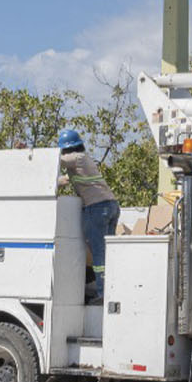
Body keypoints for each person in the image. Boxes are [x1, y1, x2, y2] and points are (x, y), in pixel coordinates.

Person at [56, 128, 118, 304]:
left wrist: (29, 153)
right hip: (111, 206)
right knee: (108, 253)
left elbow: (55, 160)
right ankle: (110, 289)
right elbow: (65, 180)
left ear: (66, 149)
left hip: (97, 208)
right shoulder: (83, 162)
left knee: (99, 254)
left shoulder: (77, 158)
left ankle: (103, 294)